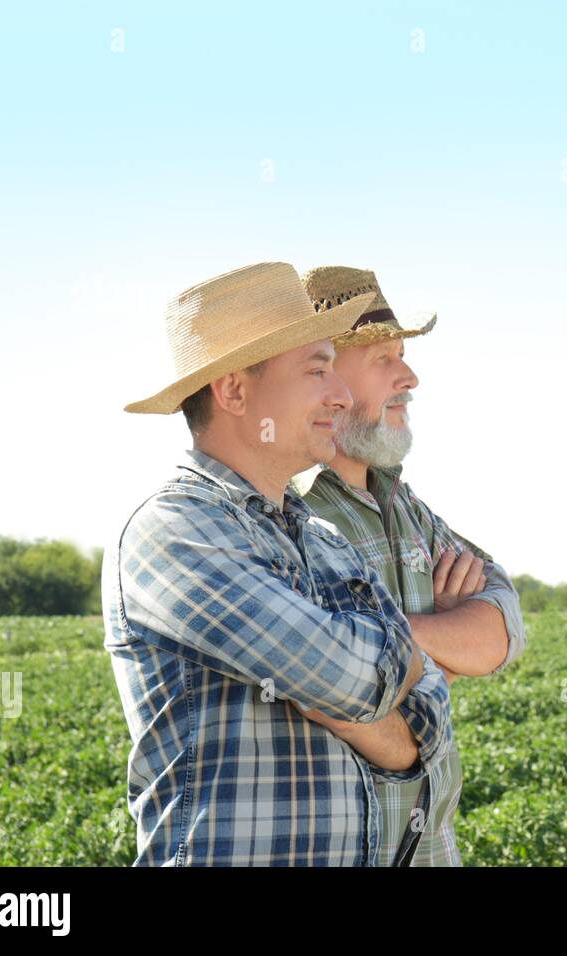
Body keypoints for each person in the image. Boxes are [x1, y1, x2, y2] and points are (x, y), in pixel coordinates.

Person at [104, 261, 453, 865]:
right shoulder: (173, 531)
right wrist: (398, 662)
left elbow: (428, 728)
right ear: (235, 390)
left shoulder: (322, 537)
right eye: (317, 369)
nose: (340, 394)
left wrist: (385, 679)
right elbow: (348, 677)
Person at [292, 265, 527, 866]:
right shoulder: (286, 510)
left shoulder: (405, 503)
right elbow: (329, 681)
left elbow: (503, 631)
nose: (410, 377)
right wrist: (440, 644)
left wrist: (389, 640)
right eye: (384, 358)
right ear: (322, 374)